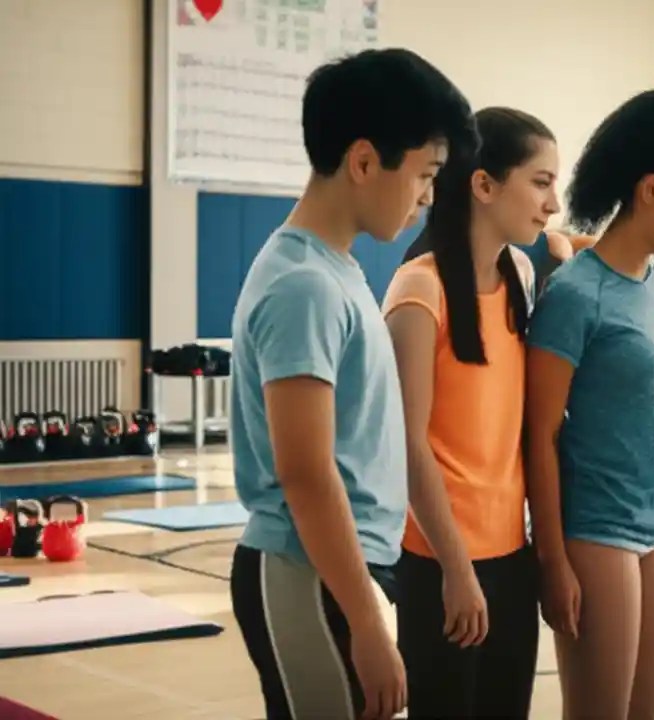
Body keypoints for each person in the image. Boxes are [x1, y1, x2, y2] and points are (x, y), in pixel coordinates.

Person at [226, 48, 473, 720]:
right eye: (424, 175)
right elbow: (306, 472)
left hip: (337, 571)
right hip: (309, 574)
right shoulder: (305, 285)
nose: (427, 198)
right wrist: (365, 620)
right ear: (364, 162)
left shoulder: (334, 270)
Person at [523, 88, 654, 720]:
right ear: (650, 190)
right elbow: (539, 436)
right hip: (594, 533)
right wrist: (553, 560)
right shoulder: (577, 296)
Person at [380, 106, 560, 718]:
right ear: (483, 185)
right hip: (441, 562)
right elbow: (409, 446)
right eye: (540, 182)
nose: (553, 202)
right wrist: (457, 571)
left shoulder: (522, 273)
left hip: (512, 558)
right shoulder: (419, 289)